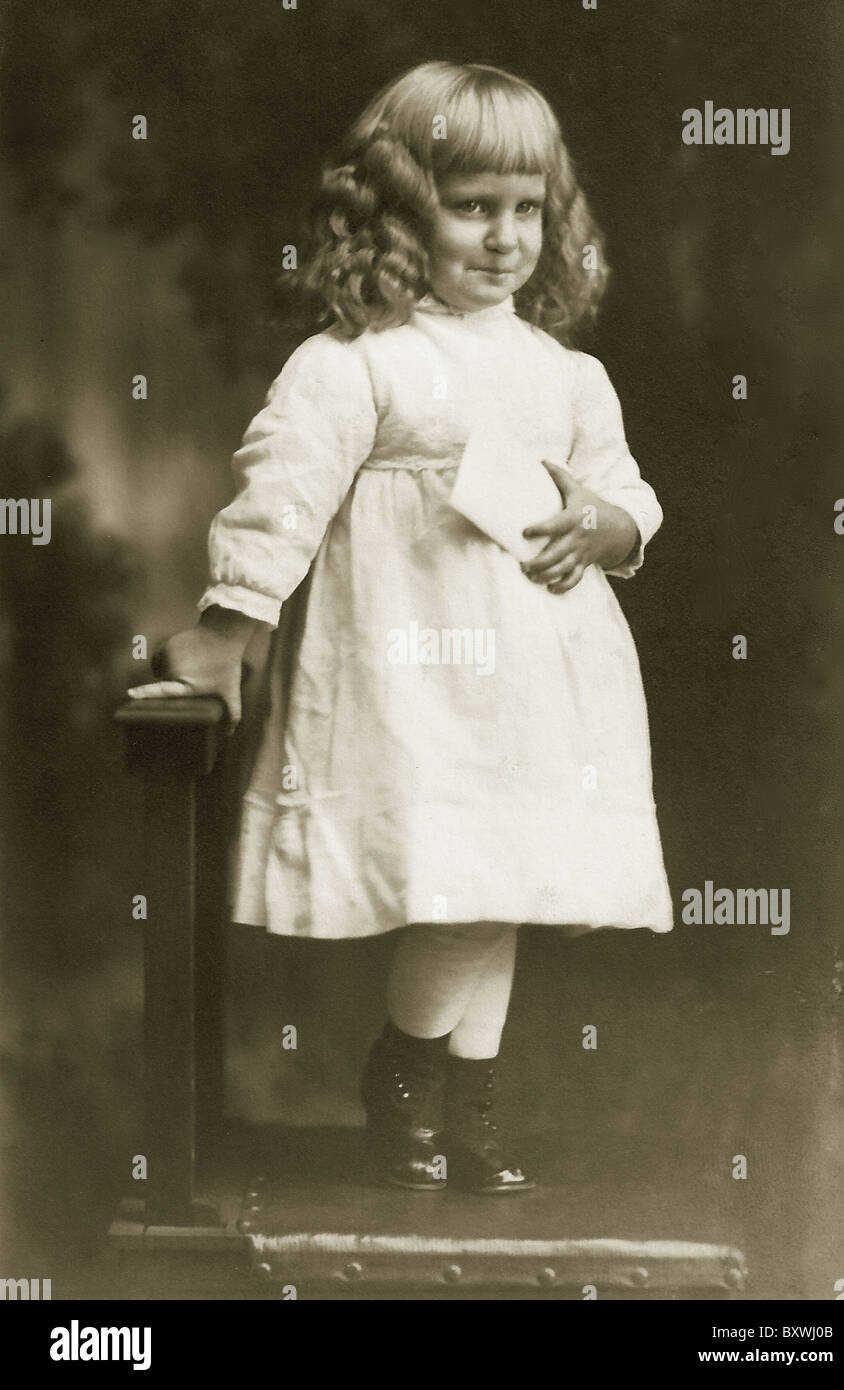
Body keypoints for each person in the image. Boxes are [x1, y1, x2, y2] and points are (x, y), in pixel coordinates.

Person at [129, 60, 674, 1195]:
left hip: (544, 677)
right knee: (464, 882)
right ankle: (408, 1075)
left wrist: (609, 525)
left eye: (526, 210)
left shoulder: (566, 376)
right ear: (396, 211)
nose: (503, 238)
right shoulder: (357, 366)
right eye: (472, 207)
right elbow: (281, 494)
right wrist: (232, 628)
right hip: (414, 676)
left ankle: (460, 1105)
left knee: (508, 879)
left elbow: (629, 488)